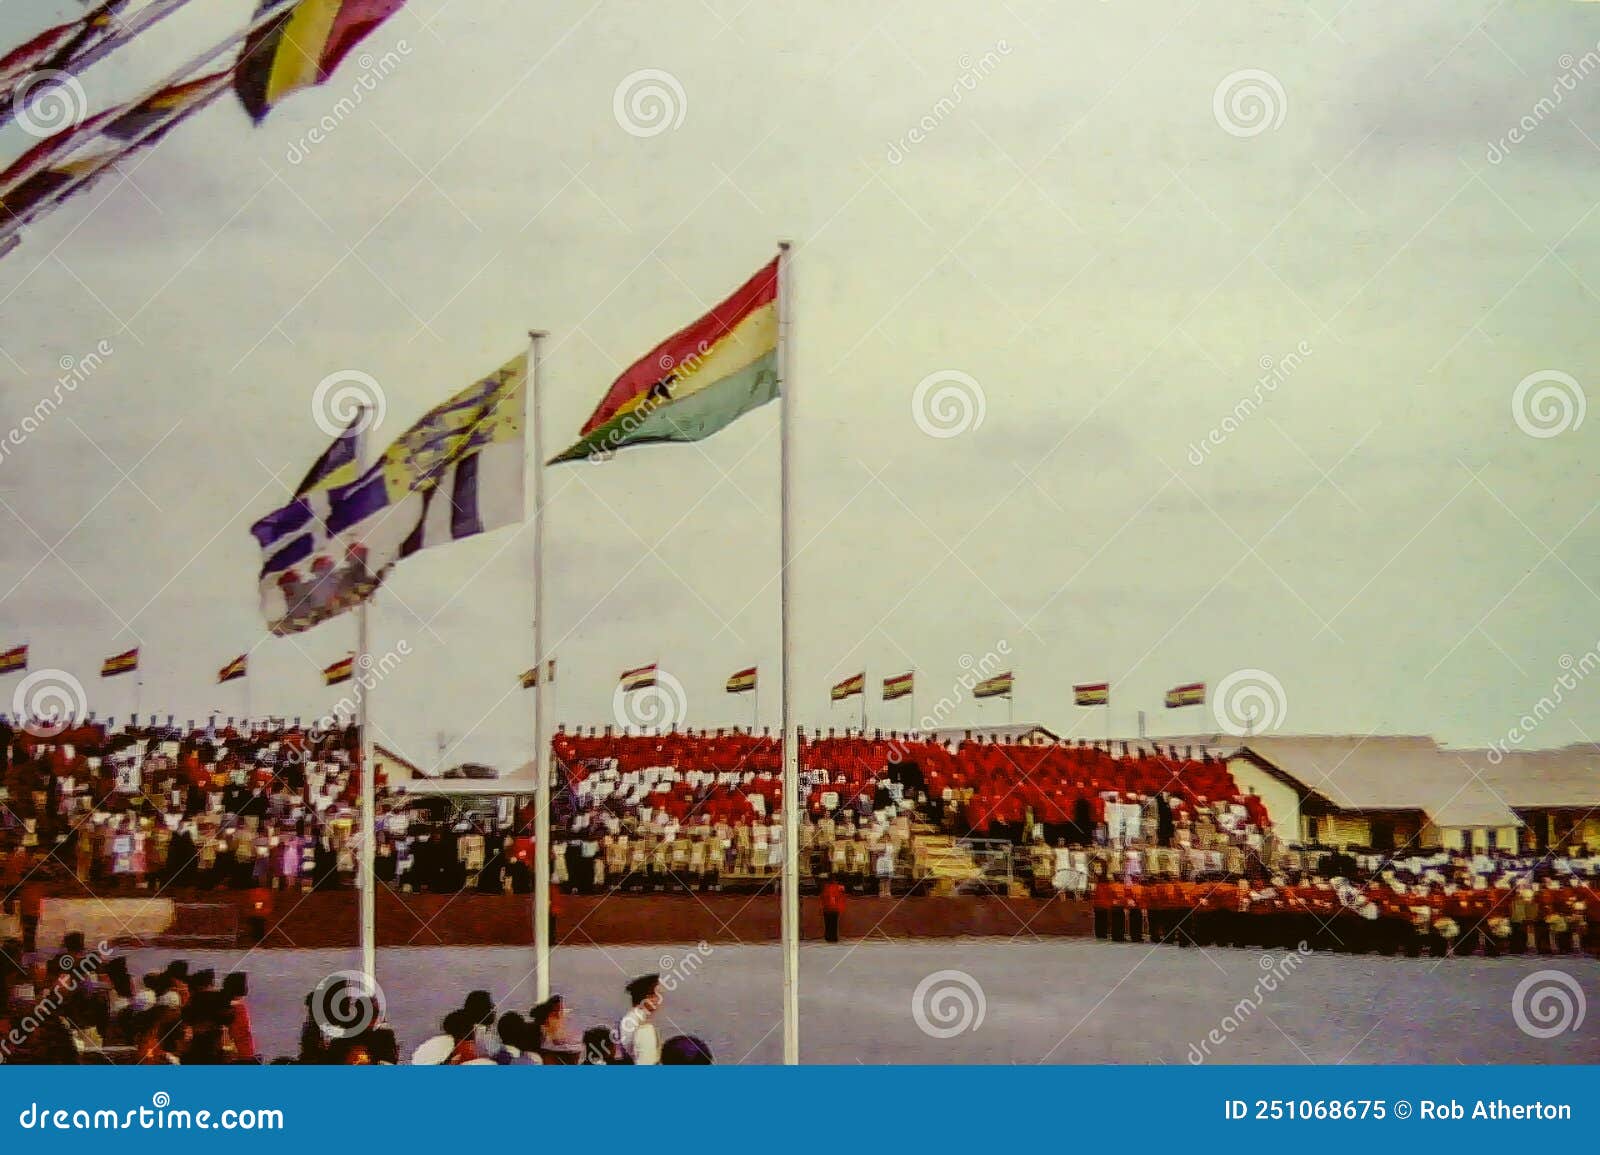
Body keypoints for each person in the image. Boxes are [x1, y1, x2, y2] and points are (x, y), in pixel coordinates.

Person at [619, 974, 662, 1065]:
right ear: (645, 998)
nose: (659, 999)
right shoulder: (644, 1027)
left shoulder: (630, 1018)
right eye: (654, 995)